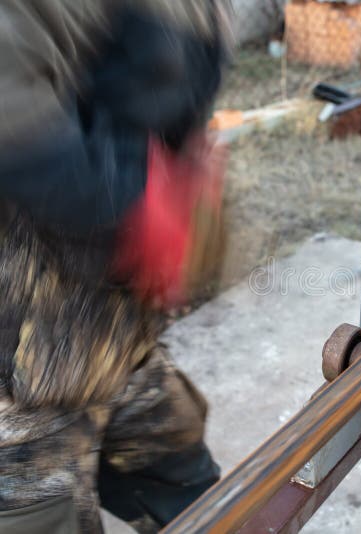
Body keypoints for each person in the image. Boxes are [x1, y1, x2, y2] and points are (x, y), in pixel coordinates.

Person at [0, 1, 230, 532]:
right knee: (38, 515)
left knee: (195, 493)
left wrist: (185, 175)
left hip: (110, 337)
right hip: (18, 368)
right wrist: (129, 202)